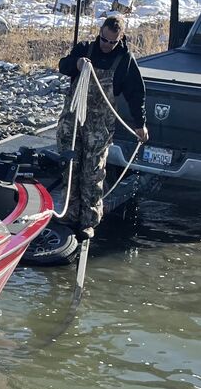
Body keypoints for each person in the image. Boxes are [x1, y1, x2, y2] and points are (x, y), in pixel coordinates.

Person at [57, 15, 148, 239]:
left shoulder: (125, 59)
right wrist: (76, 64)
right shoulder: (85, 49)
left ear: (121, 38)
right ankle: (69, 215)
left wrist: (140, 124)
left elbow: (136, 93)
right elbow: (63, 66)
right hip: (73, 121)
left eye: (112, 42)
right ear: (100, 33)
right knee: (71, 168)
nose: (106, 45)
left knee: (93, 172)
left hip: (99, 126)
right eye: (104, 40)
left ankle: (89, 221)